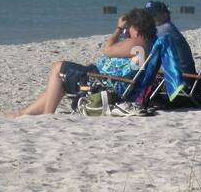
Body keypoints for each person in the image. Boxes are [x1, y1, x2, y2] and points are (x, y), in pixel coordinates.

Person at [10, 8, 157, 117]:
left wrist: (118, 29)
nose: (128, 30)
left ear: (136, 27)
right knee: (59, 83)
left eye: (129, 27)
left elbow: (107, 49)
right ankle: (24, 113)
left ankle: (48, 115)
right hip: (104, 77)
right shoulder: (146, 43)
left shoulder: (138, 43)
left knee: (58, 67)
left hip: (102, 81)